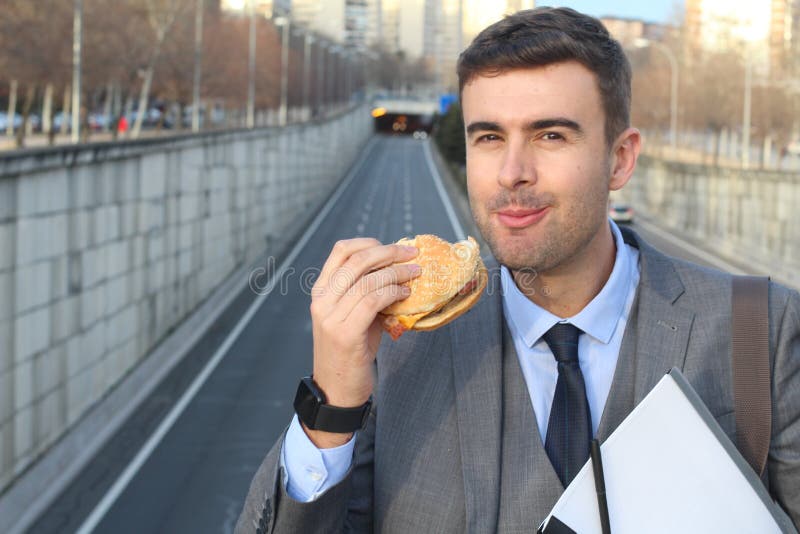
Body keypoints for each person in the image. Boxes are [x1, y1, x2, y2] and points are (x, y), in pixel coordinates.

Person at [236, 7, 800, 533]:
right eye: (489, 137)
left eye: (550, 135)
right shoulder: (394, 346)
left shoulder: (764, 332)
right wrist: (330, 404)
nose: (511, 172)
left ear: (620, 159)